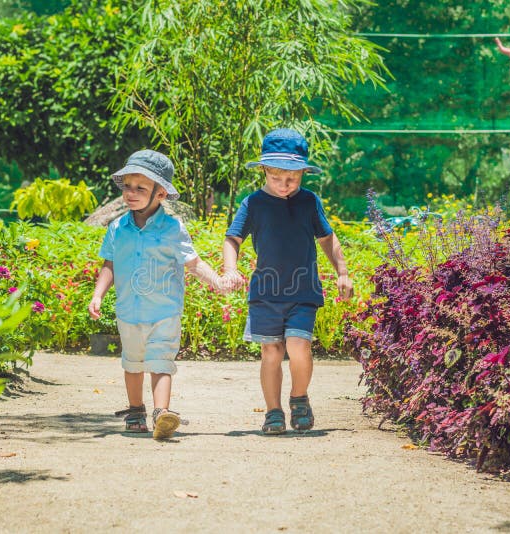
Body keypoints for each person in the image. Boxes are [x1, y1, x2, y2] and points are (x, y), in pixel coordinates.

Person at [220, 128, 353, 435]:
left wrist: (343, 273)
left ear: (304, 173)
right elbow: (233, 239)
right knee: (271, 352)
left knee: (298, 345)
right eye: (277, 177)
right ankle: (273, 412)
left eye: (292, 178)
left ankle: (299, 398)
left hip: (303, 291)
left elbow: (327, 238)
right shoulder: (253, 203)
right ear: (265, 170)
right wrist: (230, 269)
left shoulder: (309, 201)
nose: (284, 185)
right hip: (265, 294)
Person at [89, 149, 220, 440]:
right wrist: (98, 294)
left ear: (160, 194)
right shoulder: (116, 228)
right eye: (127, 186)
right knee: (133, 362)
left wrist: (217, 281)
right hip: (129, 310)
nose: (131, 193)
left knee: (161, 362)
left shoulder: (173, 228)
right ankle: (136, 411)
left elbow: (193, 263)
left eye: (141, 188)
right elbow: (109, 264)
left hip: (164, 311)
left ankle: (162, 414)